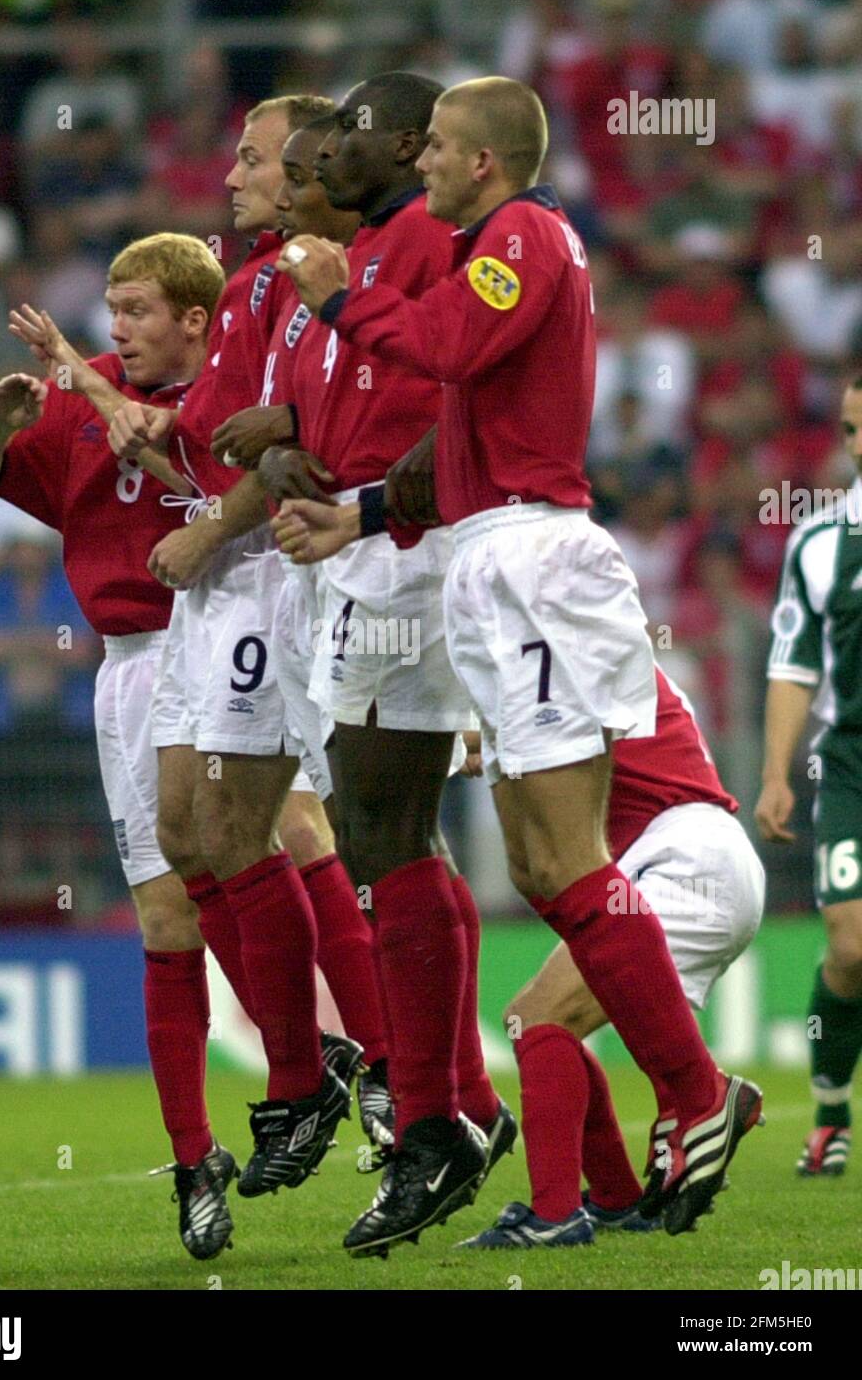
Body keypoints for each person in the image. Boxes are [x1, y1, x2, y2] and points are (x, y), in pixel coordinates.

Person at [274, 74, 764, 1246]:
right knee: (548, 871)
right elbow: (461, 445)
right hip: (490, 556)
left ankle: (694, 1095)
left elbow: (447, 346)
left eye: (439, 145)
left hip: (536, 560)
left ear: (484, 159)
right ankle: (679, 1113)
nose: (425, 159)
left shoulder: (522, 235)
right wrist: (368, 518)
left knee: (562, 858)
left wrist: (344, 304)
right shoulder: (487, 237)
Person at [217, 72, 516, 1253]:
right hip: (368, 555)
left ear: (395, 144)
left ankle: (439, 1119)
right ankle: (456, 1110)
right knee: (387, 837)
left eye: (343, 131)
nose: (320, 152)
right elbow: (373, 405)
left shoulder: (429, 245)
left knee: (390, 835)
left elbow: (468, 390)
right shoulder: (381, 251)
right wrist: (305, 459)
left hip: (411, 565)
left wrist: (389, 499)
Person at [80, 95, 394, 1195]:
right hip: (213, 591)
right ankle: (331, 1071)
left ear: (315, 168)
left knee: (303, 828)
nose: (234, 175)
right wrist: (161, 431)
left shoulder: (319, 275)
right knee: (194, 831)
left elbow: (294, 438)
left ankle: (379, 1073)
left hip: (267, 574)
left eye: (256, 159)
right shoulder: (266, 280)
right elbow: (232, 432)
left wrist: (214, 515)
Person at [0, 231, 242, 1262]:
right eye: (109, 312)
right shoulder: (77, 397)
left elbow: (223, 486)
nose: (116, 330)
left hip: (232, 634)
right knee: (167, 916)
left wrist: (119, 408)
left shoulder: (232, 389)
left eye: (137, 311)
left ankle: (346, 1070)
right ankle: (197, 1160)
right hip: (131, 667)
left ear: (193, 317)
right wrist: (1, 419)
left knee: (285, 853)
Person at [460, 668, 764, 1248]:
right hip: (693, 857)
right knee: (534, 1017)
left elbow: (535, 716)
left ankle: (553, 1217)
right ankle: (619, 1201)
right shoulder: (587, 653)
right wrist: (483, 745)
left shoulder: (571, 656)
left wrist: (451, 744)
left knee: (543, 1019)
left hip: (684, 862)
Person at [755, 374, 862, 1179]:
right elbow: (792, 663)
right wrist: (775, 774)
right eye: (853, 431)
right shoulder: (821, 540)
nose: (858, 447)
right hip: (852, 758)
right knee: (851, 946)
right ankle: (830, 1110)